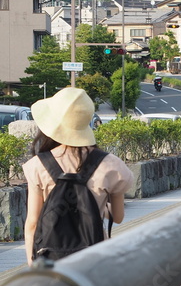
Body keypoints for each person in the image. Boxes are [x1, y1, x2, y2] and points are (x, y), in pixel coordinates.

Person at [22, 87, 134, 264]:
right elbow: (118, 217)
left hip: (50, 262)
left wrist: (33, 266)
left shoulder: (38, 165)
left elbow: (32, 223)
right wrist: (97, 201)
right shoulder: (111, 165)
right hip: (94, 261)